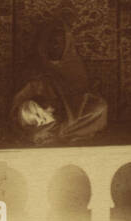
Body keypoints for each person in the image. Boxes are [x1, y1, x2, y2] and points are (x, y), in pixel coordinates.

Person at [10, 14, 108, 146]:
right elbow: (21, 97)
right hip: (40, 111)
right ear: (44, 42)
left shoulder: (74, 64)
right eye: (51, 41)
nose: (55, 46)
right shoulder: (34, 64)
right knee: (27, 111)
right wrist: (41, 98)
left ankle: (55, 132)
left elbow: (81, 94)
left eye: (60, 42)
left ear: (67, 44)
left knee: (100, 108)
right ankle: (47, 130)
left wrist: (65, 103)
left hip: (68, 114)